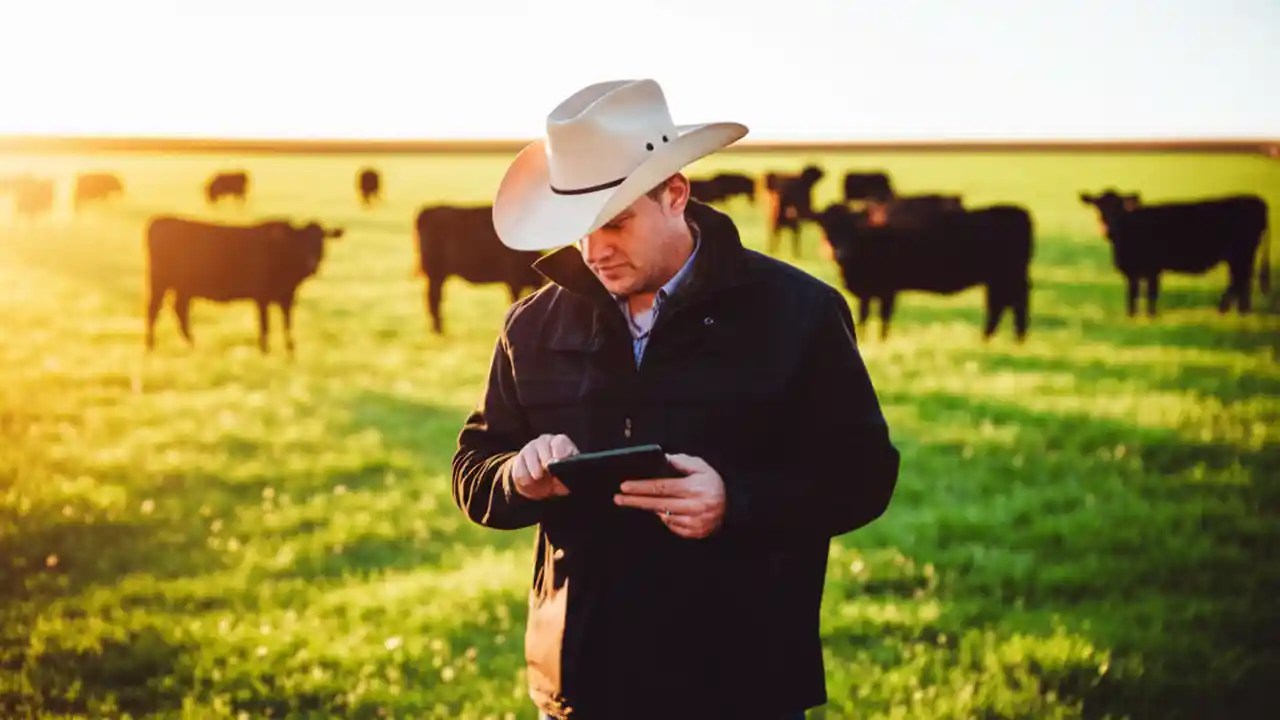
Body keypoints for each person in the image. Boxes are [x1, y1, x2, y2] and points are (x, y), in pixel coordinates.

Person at [451, 78, 900, 720]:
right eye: (579, 228)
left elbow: (863, 474)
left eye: (616, 222)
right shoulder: (530, 325)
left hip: (743, 686)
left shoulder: (799, 313)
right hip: (581, 687)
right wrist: (515, 479)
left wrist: (735, 501)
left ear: (676, 194)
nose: (595, 250)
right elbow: (474, 468)